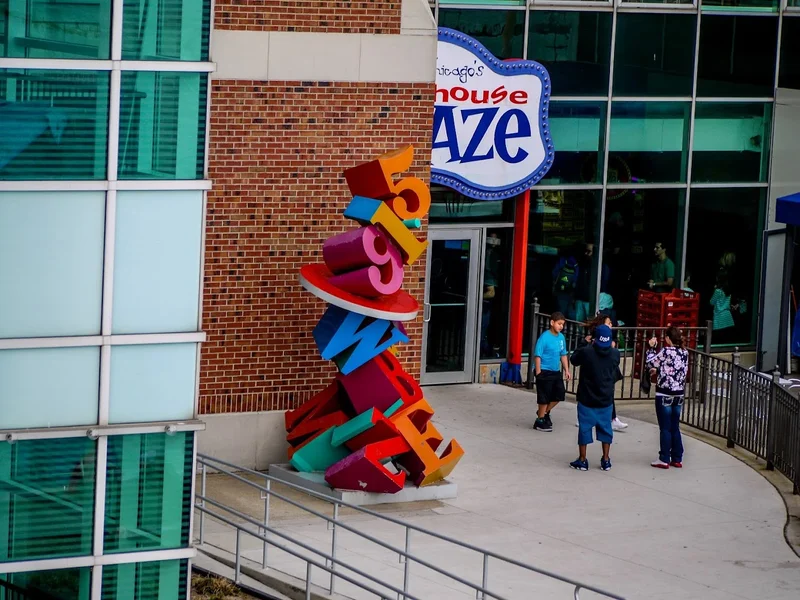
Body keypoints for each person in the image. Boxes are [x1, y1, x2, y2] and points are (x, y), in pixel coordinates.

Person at [569, 324, 621, 471]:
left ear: (595, 338)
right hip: (605, 399)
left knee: (584, 429)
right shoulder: (615, 354)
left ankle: (583, 460)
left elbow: (574, 359)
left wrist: (584, 343)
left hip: (587, 398)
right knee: (606, 429)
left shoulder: (587, 352)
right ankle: (605, 459)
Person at [646, 327, 689, 469]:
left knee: (665, 427)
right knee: (674, 426)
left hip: (664, 392)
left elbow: (650, 362)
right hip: (679, 393)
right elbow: (675, 368)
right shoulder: (684, 353)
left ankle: (664, 457)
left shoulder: (666, 351)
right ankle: (677, 457)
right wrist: (660, 370)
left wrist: (651, 348)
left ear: (669, 338)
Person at [576, 314, 628, 431]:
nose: (611, 325)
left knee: (608, 393)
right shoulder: (592, 342)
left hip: (605, 375)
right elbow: (577, 358)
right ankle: (590, 418)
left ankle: (613, 418)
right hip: (594, 376)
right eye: (608, 323)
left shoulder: (609, 343)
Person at [533, 312, 571, 432]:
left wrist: (566, 370)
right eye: (559, 324)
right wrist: (538, 372)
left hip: (555, 371)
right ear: (552, 323)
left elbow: (563, 354)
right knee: (544, 397)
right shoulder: (544, 337)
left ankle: (544, 412)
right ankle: (540, 421)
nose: (561, 327)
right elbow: (538, 354)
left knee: (559, 395)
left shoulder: (561, 338)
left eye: (563, 324)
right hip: (544, 370)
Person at [710, 273, 737, 345]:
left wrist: (714, 289)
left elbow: (711, 302)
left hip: (719, 319)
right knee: (726, 342)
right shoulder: (728, 290)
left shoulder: (718, 291)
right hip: (728, 318)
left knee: (718, 342)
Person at [552, 250, 579, 320]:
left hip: (560, 289)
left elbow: (554, 273)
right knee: (570, 311)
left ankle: (560, 326)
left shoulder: (562, 260)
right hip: (571, 290)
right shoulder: (576, 263)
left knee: (561, 311)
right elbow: (577, 277)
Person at [573, 243, 595, 323]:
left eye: (589, 251)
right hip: (580, 298)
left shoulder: (598, 268)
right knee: (579, 322)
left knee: (590, 323)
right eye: (586, 251)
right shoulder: (581, 264)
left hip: (590, 300)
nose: (586, 253)